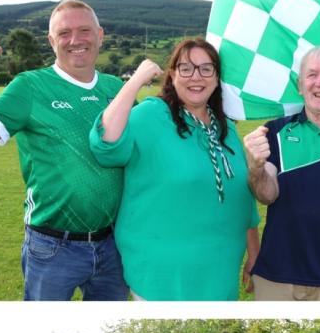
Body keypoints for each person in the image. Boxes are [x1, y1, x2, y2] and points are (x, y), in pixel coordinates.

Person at [0, 0, 128, 301]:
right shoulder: (30, 86)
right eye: (64, 33)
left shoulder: (117, 88)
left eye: (84, 30)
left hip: (115, 242)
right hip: (52, 246)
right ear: (51, 41)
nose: (75, 40)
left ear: (100, 35)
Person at [91, 40, 259, 300]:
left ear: (216, 78)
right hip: (164, 273)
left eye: (206, 69)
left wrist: (254, 251)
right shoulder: (151, 115)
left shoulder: (225, 128)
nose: (196, 77)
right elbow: (105, 144)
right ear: (172, 75)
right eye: (186, 68)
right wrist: (135, 81)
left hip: (220, 269)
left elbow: (242, 194)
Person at [243, 46, 320, 300]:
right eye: (312, 75)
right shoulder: (275, 132)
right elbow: (267, 195)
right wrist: (256, 169)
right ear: (300, 85)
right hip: (276, 274)